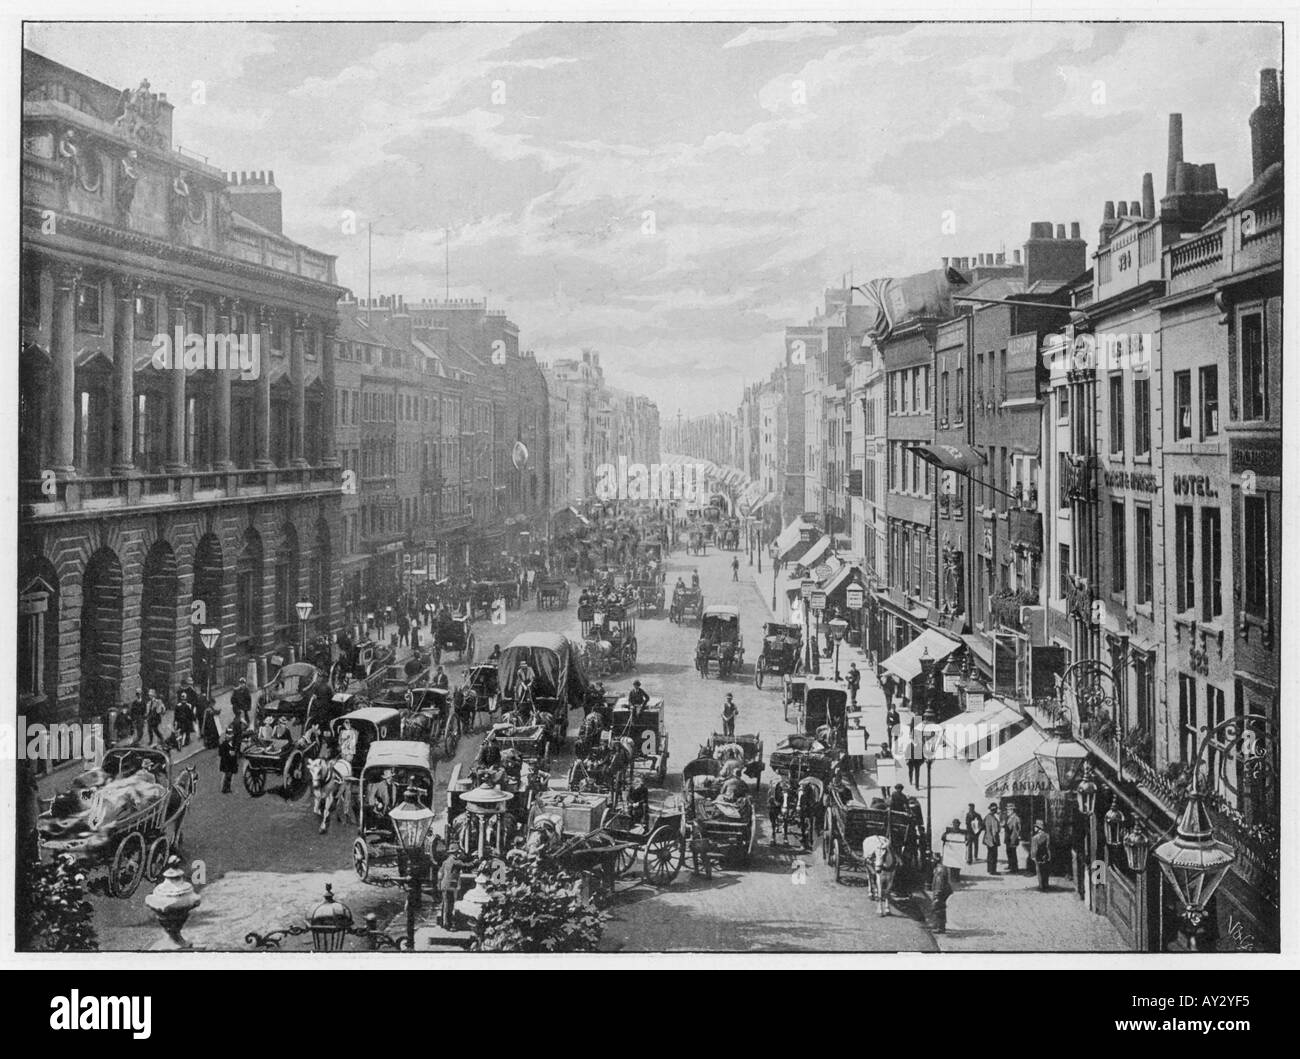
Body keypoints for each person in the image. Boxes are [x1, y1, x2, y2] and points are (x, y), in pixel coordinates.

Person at [438, 846, 466, 930]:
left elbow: (440, 874)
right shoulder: (455, 861)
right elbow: (465, 865)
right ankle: (447, 924)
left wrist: (439, 884)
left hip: (444, 884)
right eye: (457, 853)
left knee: (445, 904)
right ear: (455, 853)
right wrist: (475, 862)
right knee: (449, 905)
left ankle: (444, 923)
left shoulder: (445, 862)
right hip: (450, 885)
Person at [930, 852, 954, 933]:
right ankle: (938, 925)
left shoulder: (939, 870)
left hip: (940, 892)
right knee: (940, 908)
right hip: (943, 891)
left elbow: (939, 884)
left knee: (938, 908)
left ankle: (940, 927)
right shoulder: (941, 868)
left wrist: (937, 895)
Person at [1029, 820, 1052, 891]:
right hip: (1045, 855)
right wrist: (1049, 855)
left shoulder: (1035, 838)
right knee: (1046, 870)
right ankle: (1046, 884)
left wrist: (1033, 856)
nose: (1034, 828)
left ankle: (1041, 886)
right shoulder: (1047, 835)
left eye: (1035, 827)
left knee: (1039, 870)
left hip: (1038, 856)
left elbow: (1034, 849)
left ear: (1039, 828)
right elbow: (1048, 846)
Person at [218, 725, 240, 793]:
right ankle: (225, 788)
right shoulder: (224, 744)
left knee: (230, 776)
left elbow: (236, 751)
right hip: (226, 762)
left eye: (231, 735)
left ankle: (228, 788)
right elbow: (221, 753)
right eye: (228, 735)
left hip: (231, 762)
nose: (229, 737)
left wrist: (234, 753)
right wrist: (229, 753)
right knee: (227, 775)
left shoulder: (233, 743)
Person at [982, 802, 1002, 874]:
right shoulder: (991, 818)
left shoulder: (988, 817)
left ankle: (990, 870)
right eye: (996, 809)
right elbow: (994, 830)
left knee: (990, 855)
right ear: (994, 809)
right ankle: (993, 871)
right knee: (993, 855)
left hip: (989, 839)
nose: (997, 810)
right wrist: (994, 840)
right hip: (992, 839)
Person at [1003, 805, 1023, 873]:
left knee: (1013, 853)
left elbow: (1018, 829)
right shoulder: (1009, 817)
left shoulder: (1016, 818)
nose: (1007, 811)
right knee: (1009, 852)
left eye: (1008, 810)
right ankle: (1010, 865)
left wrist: (1017, 836)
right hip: (1008, 838)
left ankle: (1014, 868)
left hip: (1013, 838)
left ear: (1012, 810)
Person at [906, 718, 924, 787]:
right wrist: (907, 760)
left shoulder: (920, 746)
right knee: (910, 771)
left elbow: (922, 755)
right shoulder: (910, 745)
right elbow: (907, 753)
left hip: (917, 762)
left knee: (917, 773)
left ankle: (917, 785)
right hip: (910, 761)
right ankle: (910, 780)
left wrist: (921, 762)